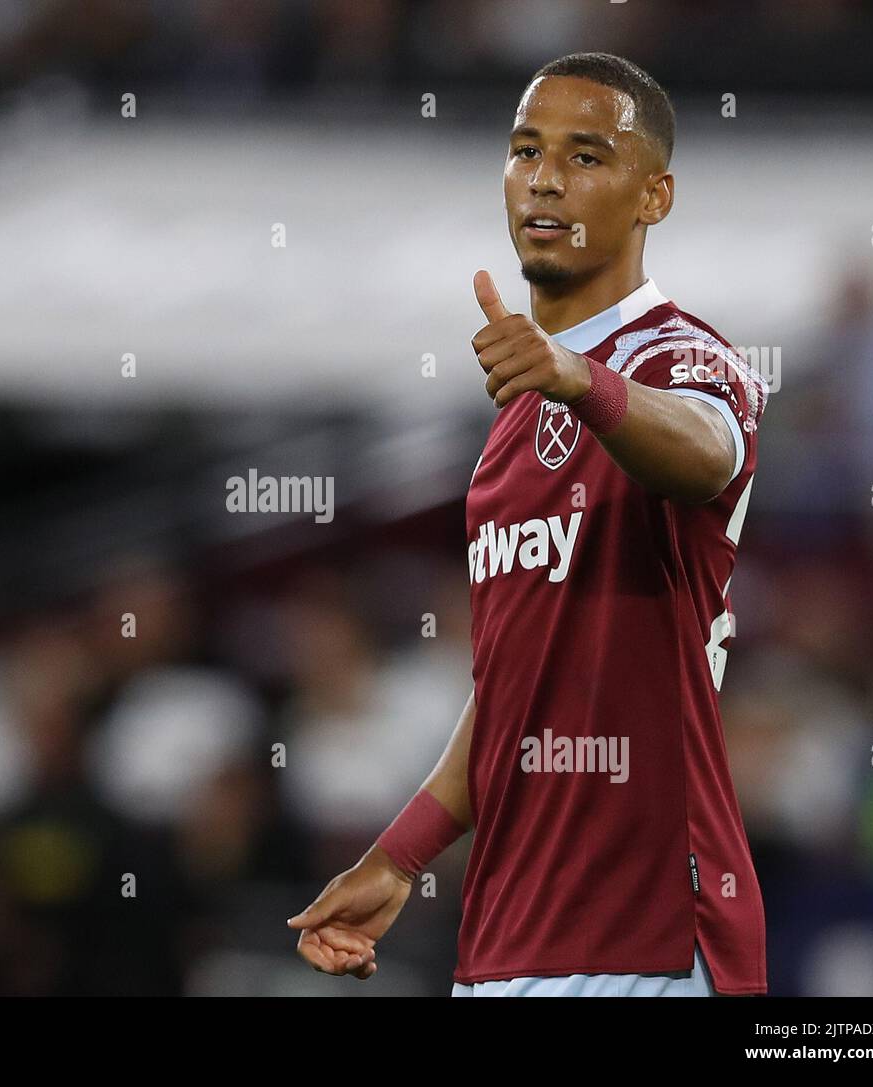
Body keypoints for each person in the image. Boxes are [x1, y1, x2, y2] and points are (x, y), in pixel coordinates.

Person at [287, 52, 769, 997]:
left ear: (654, 195)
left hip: (653, 928)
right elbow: (519, 679)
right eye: (525, 150)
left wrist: (577, 378)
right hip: (509, 935)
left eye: (588, 156)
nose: (545, 178)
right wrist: (402, 853)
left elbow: (710, 451)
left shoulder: (686, 358)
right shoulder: (512, 425)